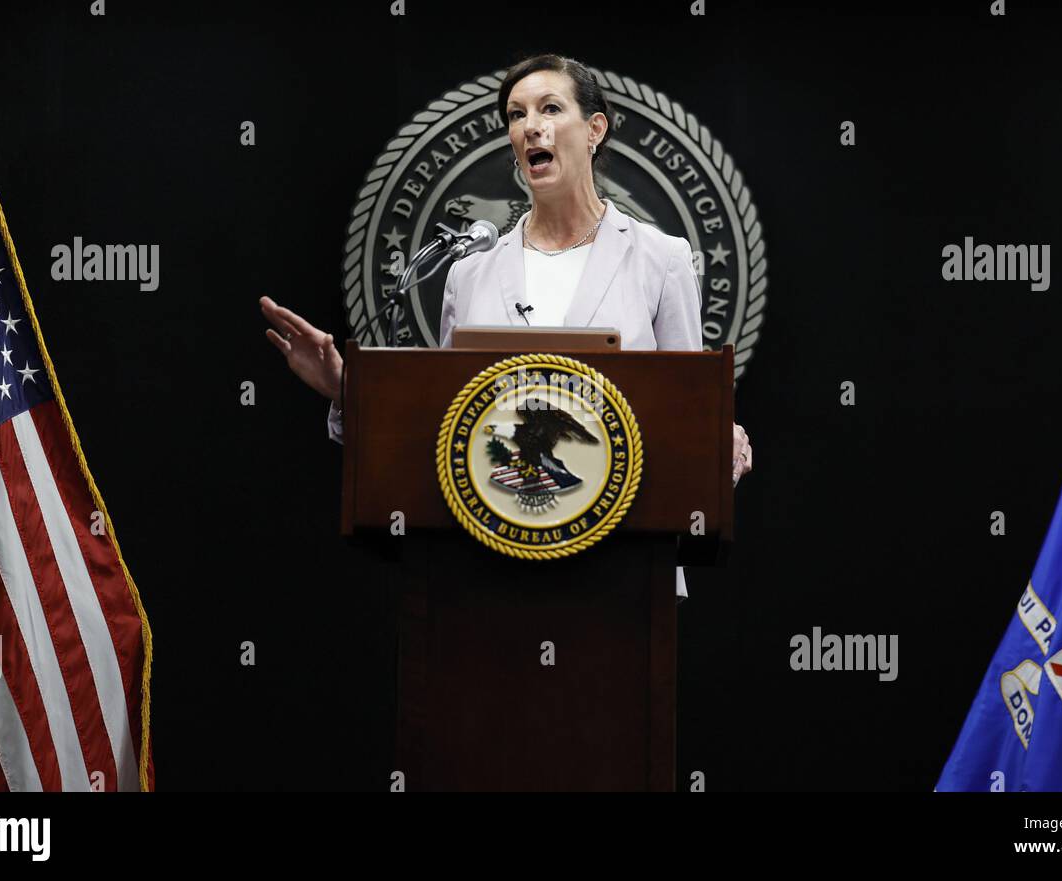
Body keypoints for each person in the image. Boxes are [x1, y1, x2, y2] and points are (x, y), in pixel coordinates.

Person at [260, 54, 753, 595]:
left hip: (623, 566)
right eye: (516, 115)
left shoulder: (661, 258)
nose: (530, 126)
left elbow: (688, 407)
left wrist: (717, 439)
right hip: (481, 563)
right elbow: (444, 426)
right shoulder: (469, 273)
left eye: (550, 108)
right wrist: (345, 390)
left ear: (595, 128)